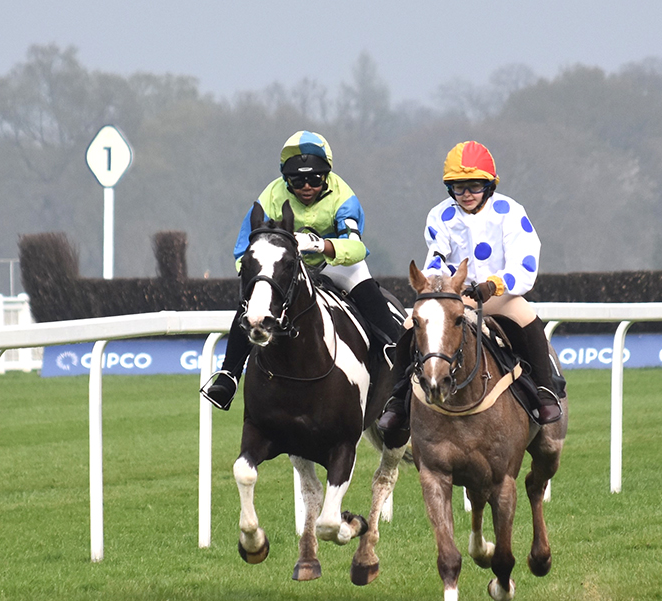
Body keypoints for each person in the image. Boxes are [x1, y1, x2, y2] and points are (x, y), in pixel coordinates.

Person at [375, 140, 562, 446]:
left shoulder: (510, 212)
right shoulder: (440, 215)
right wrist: (444, 285)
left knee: (526, 317)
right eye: (459, 187)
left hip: (500, 294)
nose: (466, 194)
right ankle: (398, 400)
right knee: (410, 325)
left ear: (489, 186)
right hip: (454, 295)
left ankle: (544, 389)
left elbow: (525, 263)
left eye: (474, 186)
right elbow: (436, 258)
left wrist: (493, 285)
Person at [202, 131, 404, 409]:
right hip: (287, 269)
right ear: (287, 179)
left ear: (326, 176)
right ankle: (228, 376)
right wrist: (257, 276)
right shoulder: (271, 195)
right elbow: (243, 250)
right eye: (297, 180)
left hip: (337, 265)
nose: (306, 186)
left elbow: (356, 248)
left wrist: (321, 245)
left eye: (315, 179)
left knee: (374, 303)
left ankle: (397, 367)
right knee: (252, 305)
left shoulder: (344, 195)